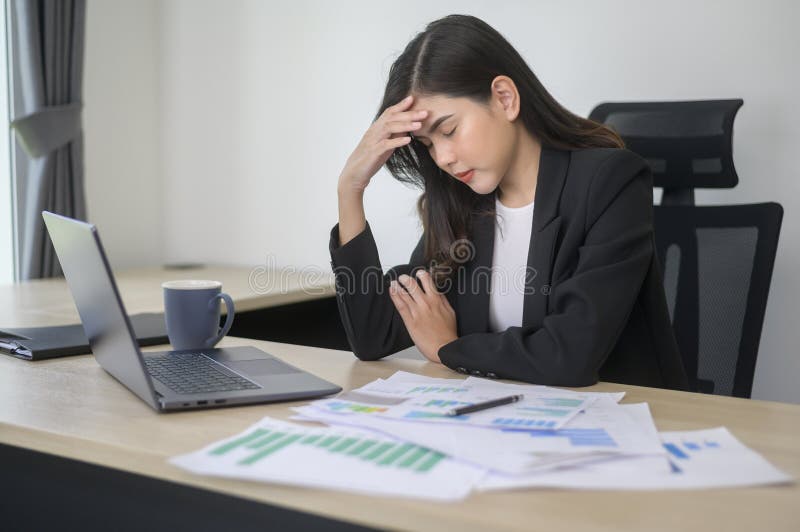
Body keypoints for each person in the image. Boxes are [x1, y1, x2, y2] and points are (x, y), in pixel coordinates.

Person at [330, 14, 689, 390]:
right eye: (429, 145)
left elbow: (570, 355)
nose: (443, 158)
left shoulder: (610, 182)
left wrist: (448, 347)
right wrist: (350, 189)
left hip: (626, 425)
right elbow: (373, 335)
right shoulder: (463, 206)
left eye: (449, 130)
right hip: (506, 427)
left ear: (505, 98)